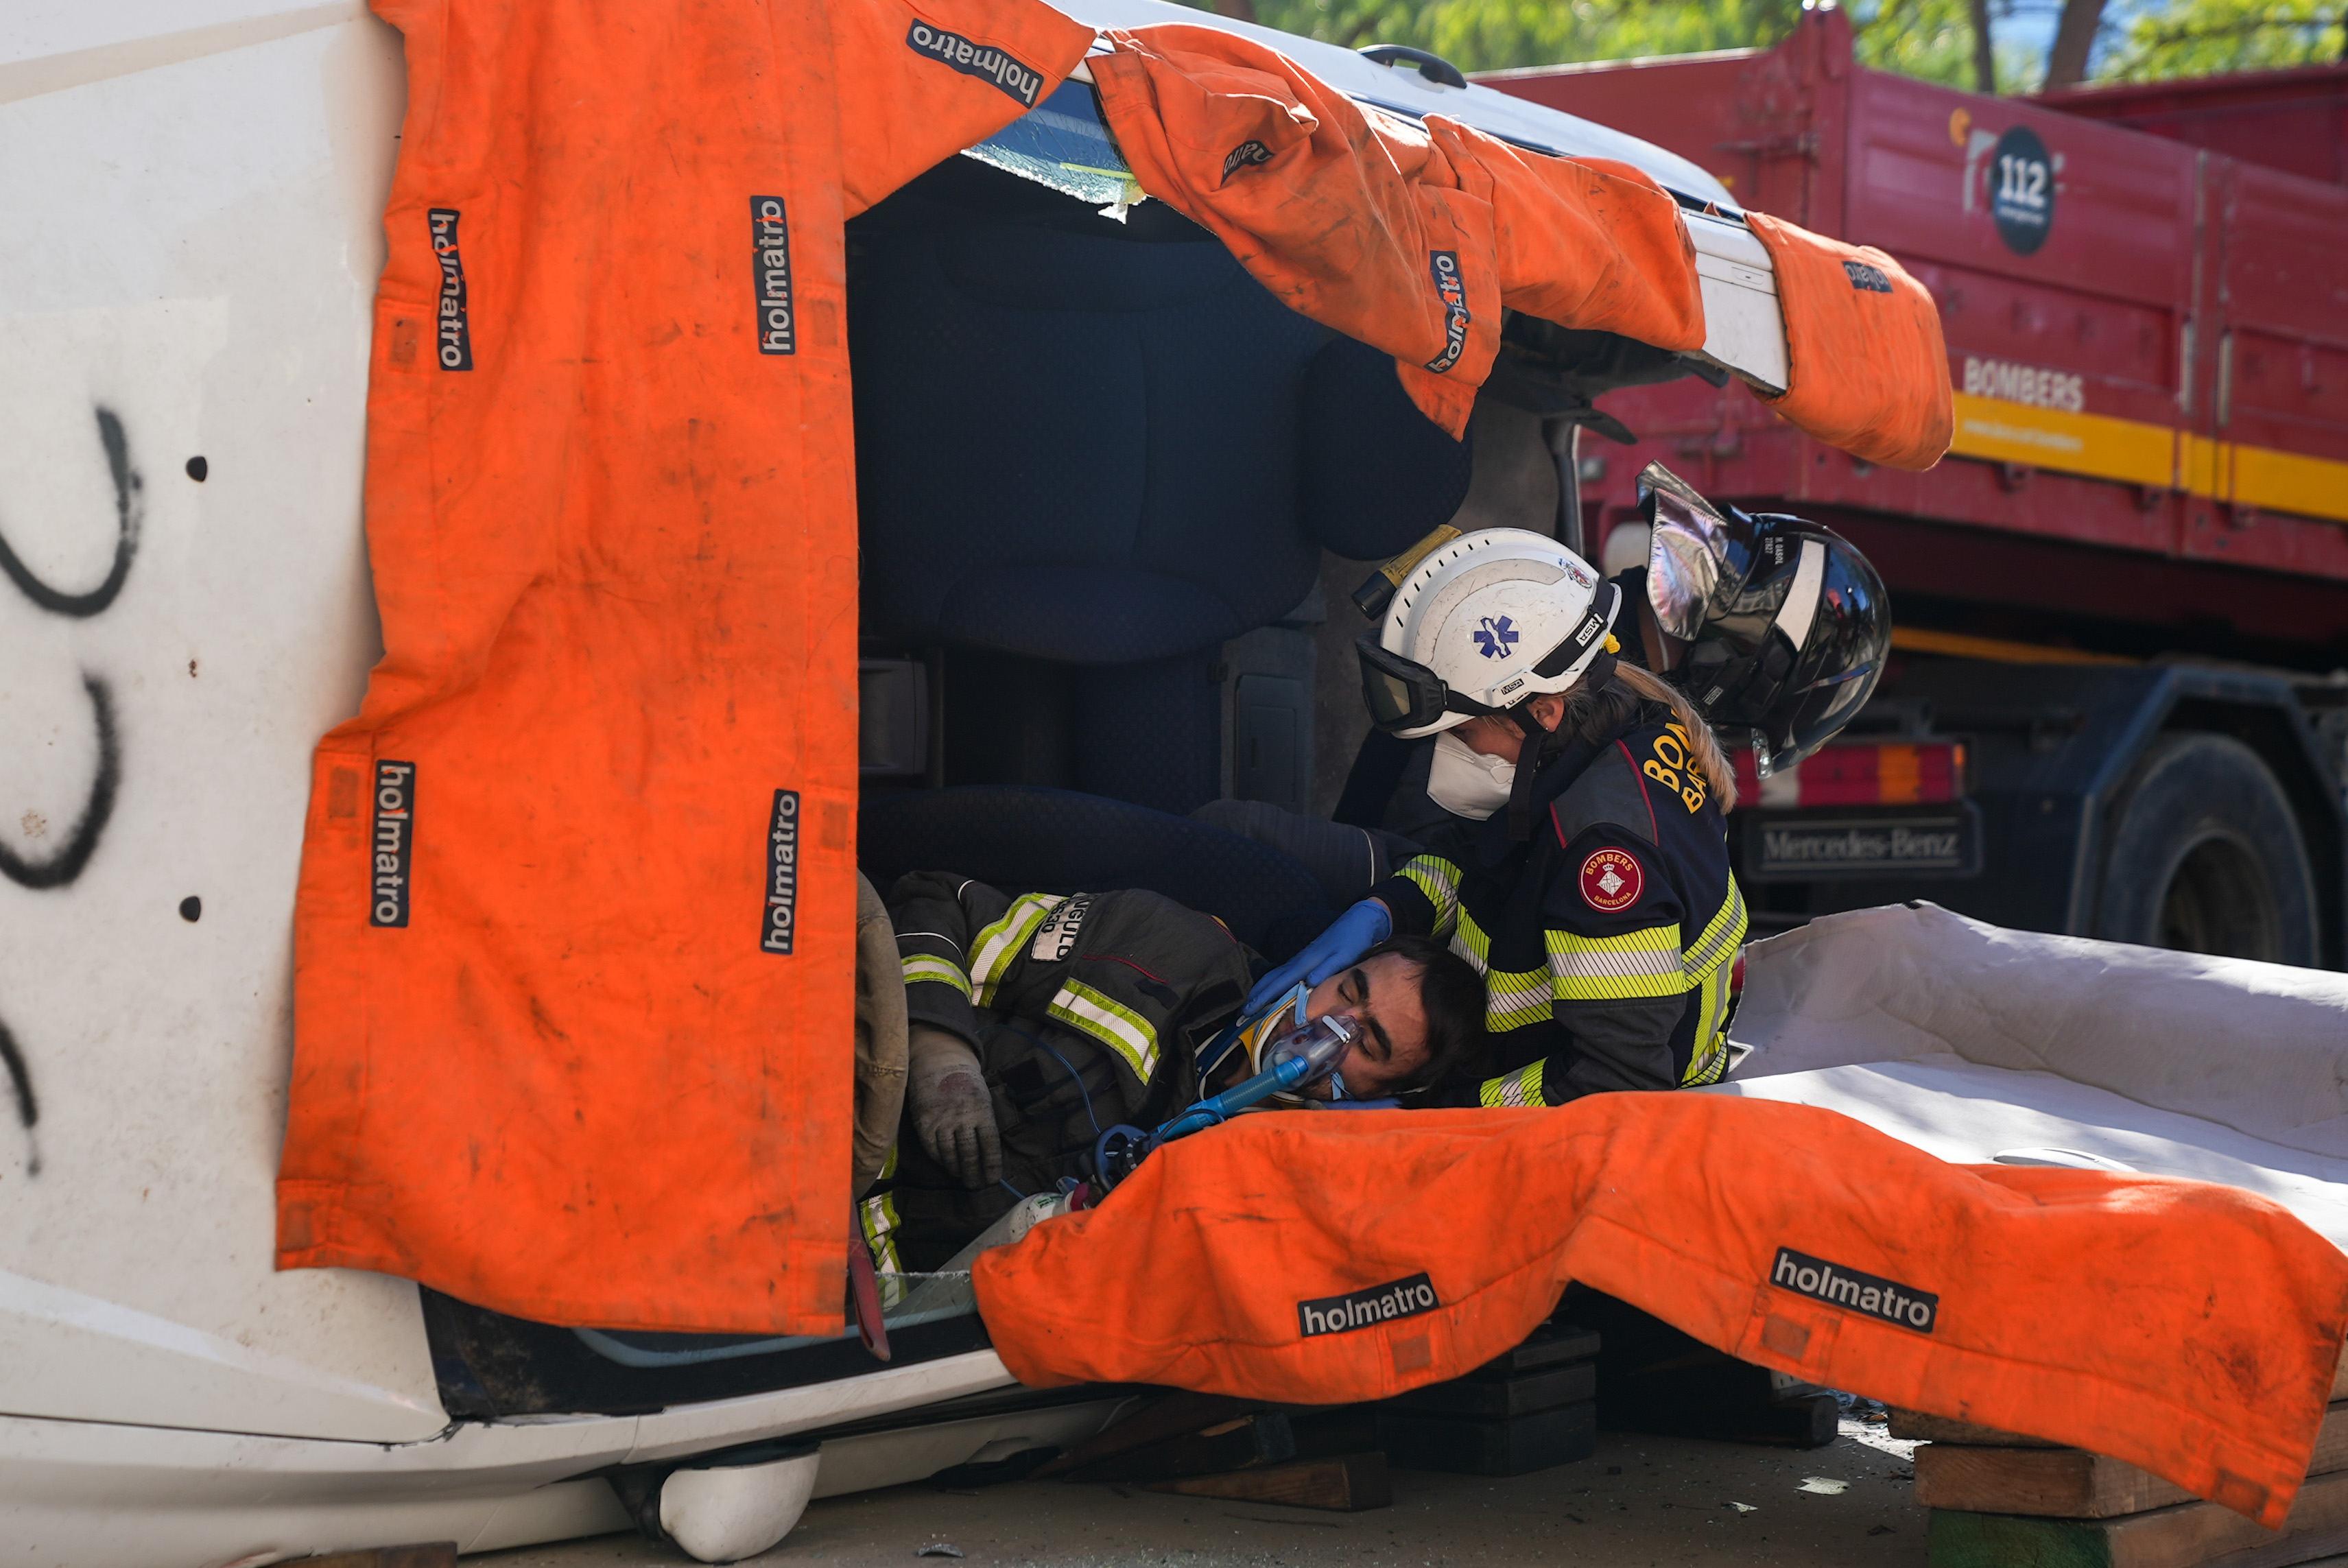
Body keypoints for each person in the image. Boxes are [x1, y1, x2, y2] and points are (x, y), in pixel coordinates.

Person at [1253, 523, 1753, 1108]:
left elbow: (1614, 1083)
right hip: (1483, 1037)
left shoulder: (1604, 861)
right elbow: (1478, 859)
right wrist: (1384, 910)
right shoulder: (1600, 741)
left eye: (1463, 733)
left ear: (1542, 712)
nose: (1451, 752)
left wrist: (1425, 1120)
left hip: (1562, 1109)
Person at [864, 872, 1484, 1271]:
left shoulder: (1277, 1199)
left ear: (1385, 1094)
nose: (1328, 1030)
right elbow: (937, 904)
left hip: (873, 1313)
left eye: (1367, 1044)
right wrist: (937, 1045)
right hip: (837, 1118)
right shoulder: (1163, 945)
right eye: (1347, 990)